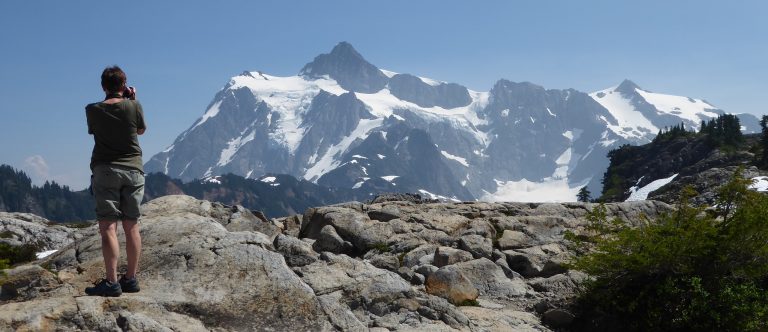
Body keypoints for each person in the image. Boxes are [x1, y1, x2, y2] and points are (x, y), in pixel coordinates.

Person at [84, 66, 146, 297]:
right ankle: (130, 278)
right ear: (124, 85)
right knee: (132, 225)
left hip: (105, 169)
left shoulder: (92, 110)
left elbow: (94, 131)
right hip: (133, 170)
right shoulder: (134, 106)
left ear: (103, 86)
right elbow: (140, 130)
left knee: (108, 226)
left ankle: (111, 282)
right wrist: (132, 99)